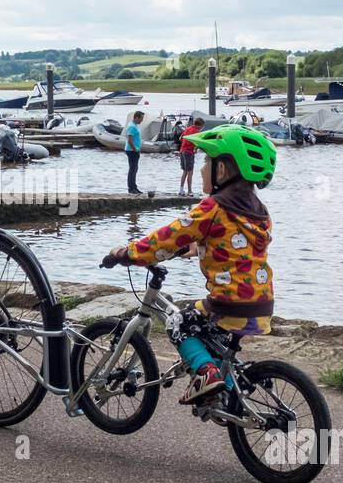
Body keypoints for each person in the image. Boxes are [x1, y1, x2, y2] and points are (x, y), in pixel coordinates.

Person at [106, 124, 277, 406]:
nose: (201, 168)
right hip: (262, 302)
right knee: (212, 342)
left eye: (207, 161)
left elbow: (166, 238)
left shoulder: (212, 207)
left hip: (228, 304)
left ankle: (206, 375)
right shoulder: (259, 211)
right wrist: (195, 248)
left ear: (222, 170)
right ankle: (224, 389)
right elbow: (234, 244)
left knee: (179, 321)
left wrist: (128, 253)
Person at [178, 115, 204, 196]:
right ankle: (189, 191)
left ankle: (181, 190)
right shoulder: (197, 131)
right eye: (202, 126)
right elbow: (198, 143)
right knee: (190, 172)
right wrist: (195, 148)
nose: (202, 128)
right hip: (189, 153)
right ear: (199, 125)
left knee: (185, 171)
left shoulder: (188, 128)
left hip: (182, 151)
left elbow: (180, 139)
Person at [125, 110, 144, 194]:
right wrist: (135, 148)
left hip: (135, 150)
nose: (142, 120)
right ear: (136, 117)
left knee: (135, 168)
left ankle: (134, 187)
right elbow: (130, 140)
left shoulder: (135, 125)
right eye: (141, 118)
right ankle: (131, 188)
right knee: (132, 169)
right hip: (131, 150)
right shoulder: (132, 126)